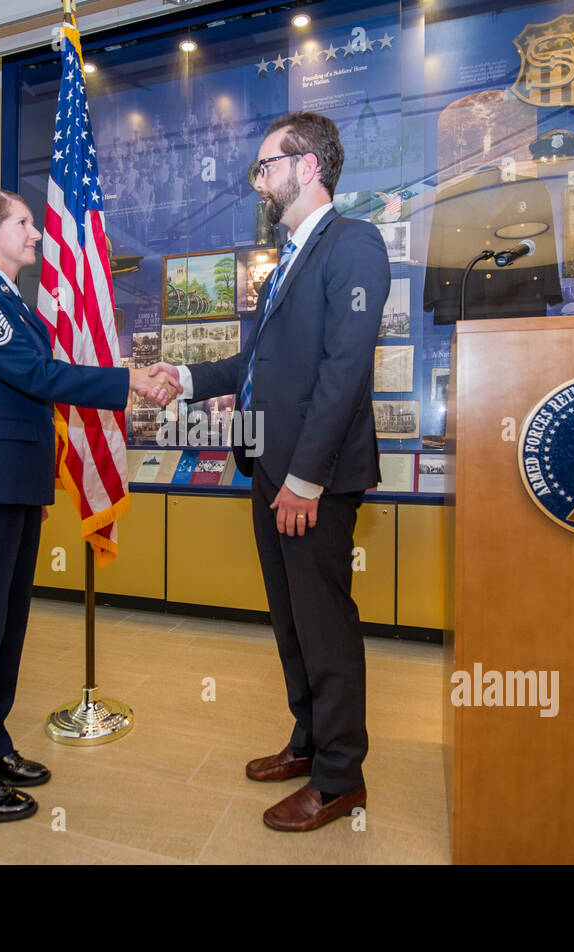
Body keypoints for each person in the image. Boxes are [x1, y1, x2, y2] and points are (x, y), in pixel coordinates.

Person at [150, 111, 390, 832]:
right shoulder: (283, 264)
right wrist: (183, 376)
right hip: (270, 471)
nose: (259, 180)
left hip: (311, 480)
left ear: (306, 166)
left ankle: (341, 777)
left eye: (266, 165)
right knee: (290, 622)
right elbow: (253, 367)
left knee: (325, 626)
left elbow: (345, 371)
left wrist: (307, 479)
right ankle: (308, 740)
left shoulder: (355, 245)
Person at [0, 188, 179, 823]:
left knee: (7, 629)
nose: (36, 235)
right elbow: (37, 377)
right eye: (23, 224)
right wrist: (130, 383)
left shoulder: (15, 304)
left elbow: (46, 375)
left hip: (15, 484)